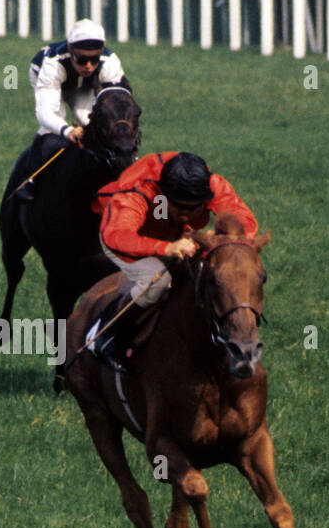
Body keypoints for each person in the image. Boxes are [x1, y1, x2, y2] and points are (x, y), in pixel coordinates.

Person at [87, 151, 258, 369]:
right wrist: (166, 247)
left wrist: (216, 239)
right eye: (179, 207)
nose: (186, 215)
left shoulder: (214, 185)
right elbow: (117, 236)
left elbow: (245, 223)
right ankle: (105, 334)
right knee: (158, 281)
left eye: (194, 208)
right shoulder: (140, 190)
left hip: (166, 227)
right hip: (121, 237)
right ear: (162, 193)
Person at [16, 18, 128, 201]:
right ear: (71, 51)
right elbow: (45, 114)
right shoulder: (53, 64)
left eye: (94, 60)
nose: (89, 66)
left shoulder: (110, 62)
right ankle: (30, 179)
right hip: (48, 79)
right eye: (82, 60)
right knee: (52, 128)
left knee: (86, 121)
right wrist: (67, 130)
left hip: (83, 86)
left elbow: (118, 103)